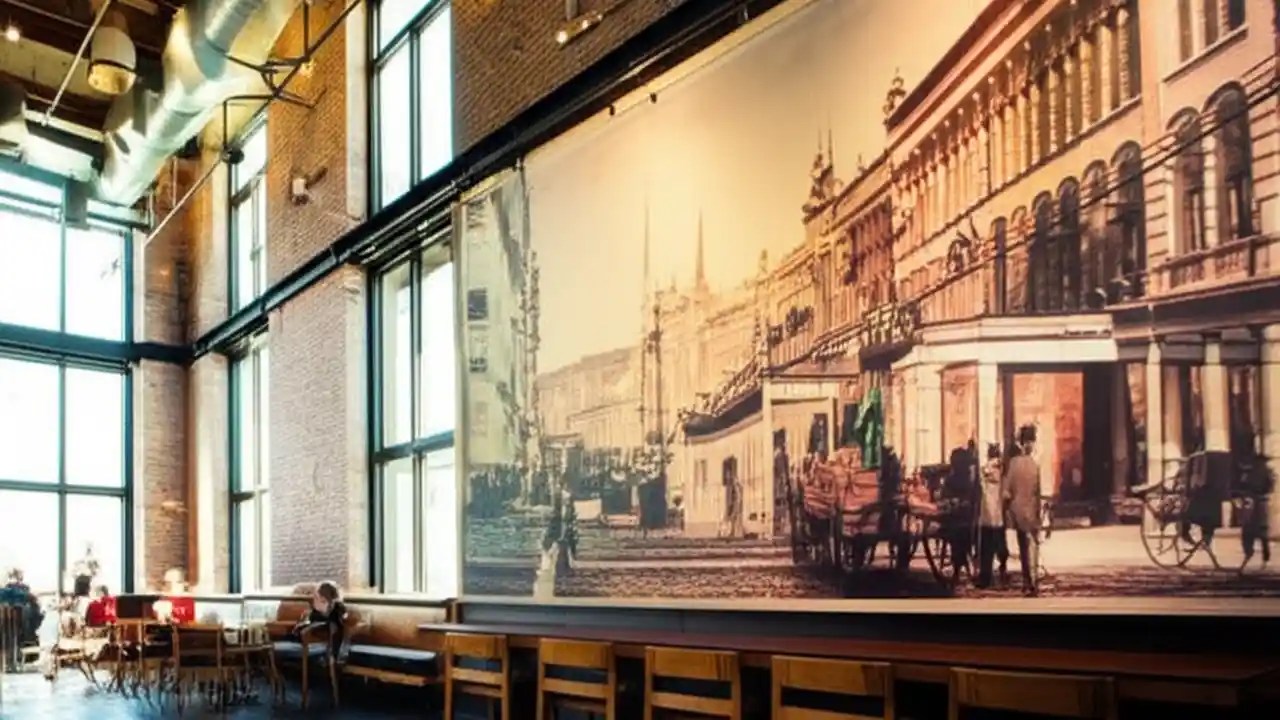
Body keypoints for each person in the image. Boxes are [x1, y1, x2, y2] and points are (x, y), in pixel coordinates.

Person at [1004, 425, 1042, 597]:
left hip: (1018, 510)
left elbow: (1006, 491)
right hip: (1031, 510)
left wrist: (1006, 509)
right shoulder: (1035, 464)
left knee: (1023, 547)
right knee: (1033, 545)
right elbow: (1038, 492)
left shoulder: (1013, 464)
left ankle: (1028, 581)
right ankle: (1033, 581)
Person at [977, 443, 1009, 589]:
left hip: (986, 516)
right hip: (998, 516)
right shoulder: (1002, 470)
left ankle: (985, 578)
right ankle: (1002, 574)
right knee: (1001, 548)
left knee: (986, 550)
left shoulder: (985, 471)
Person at [292, 581, 348, 660]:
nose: (313, 600)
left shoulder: (334, 614)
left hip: (319, 646)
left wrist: (303, 626)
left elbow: (329, 629)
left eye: (315, 597)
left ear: (323, 599)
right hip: (311, 643)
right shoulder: (318, 612)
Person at [1, 568, 43, 645]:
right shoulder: (10, 587)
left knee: (31, 609)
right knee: (26, 610)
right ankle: (28, 637)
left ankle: (29, 636)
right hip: (15, 612)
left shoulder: (23, 587)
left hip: (18, 612)